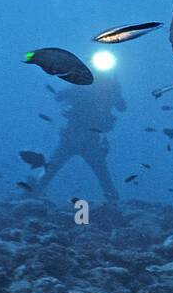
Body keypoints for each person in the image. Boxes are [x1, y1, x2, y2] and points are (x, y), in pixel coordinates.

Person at [37, 72, 126, 202]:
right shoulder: (81, 83)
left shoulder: (111, 87)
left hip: (91, 139)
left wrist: (116, 92)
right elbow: (60, 96)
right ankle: (32, 193)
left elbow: (122, 107)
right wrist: (76, 87)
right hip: (73, 135)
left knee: (103, 174)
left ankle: (114, 202)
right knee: (51, 168)